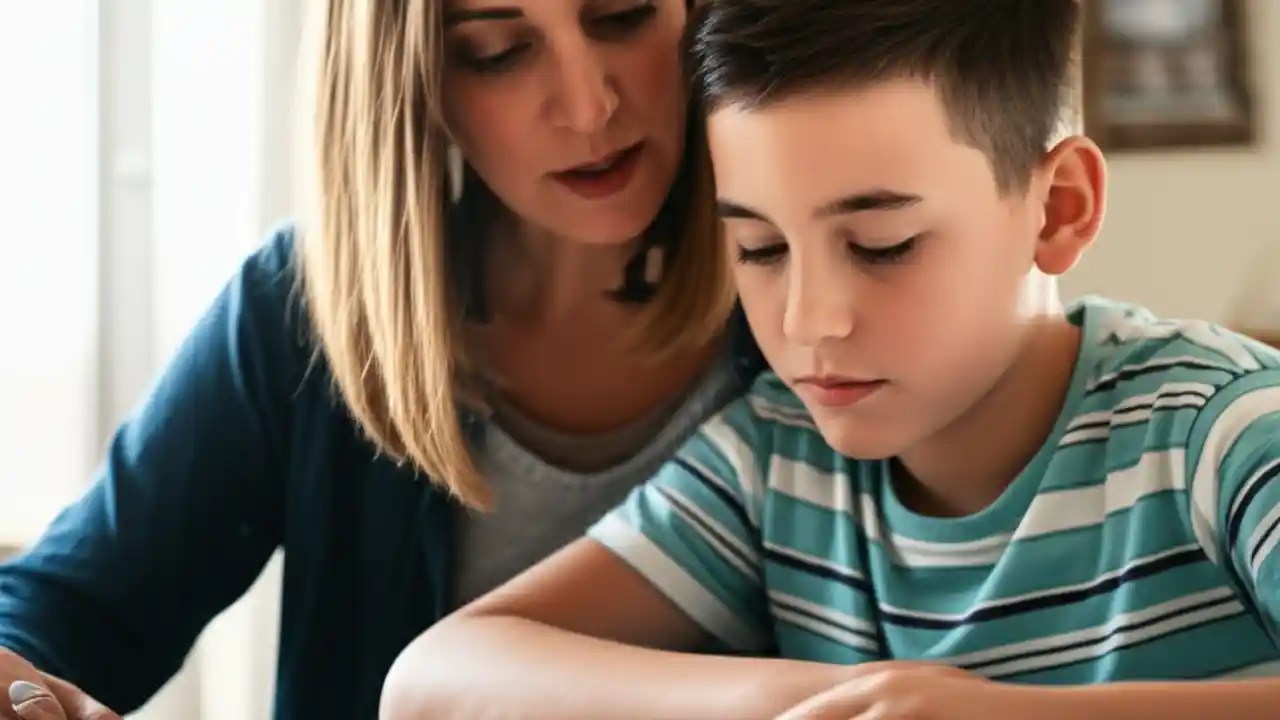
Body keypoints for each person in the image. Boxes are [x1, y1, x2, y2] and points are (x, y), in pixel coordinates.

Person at [381, 1, 1280, 718]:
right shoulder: (773, 464)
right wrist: (828, 704)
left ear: (1059, 209)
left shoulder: (1225, 433)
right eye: (761, 250)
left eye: (883, 245)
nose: (809, 320)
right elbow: (433, 682)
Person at [0, 1, 766, 718]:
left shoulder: (807, 303)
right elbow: (77, 608)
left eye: (623, 15)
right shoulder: (304, 308)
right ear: (412, 83)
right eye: (496, 52)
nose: (590, 106)